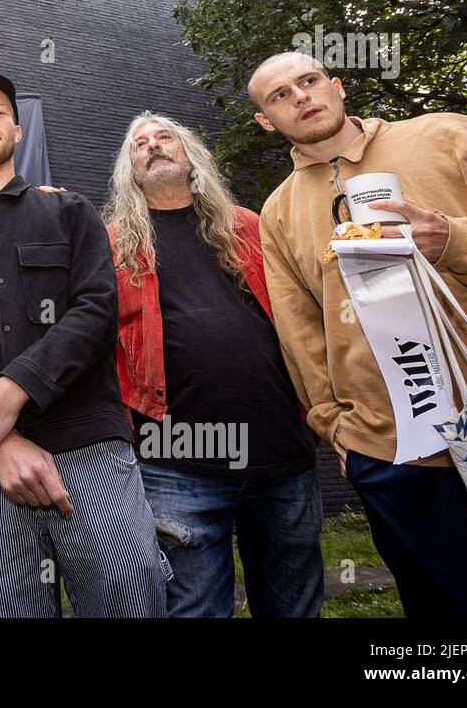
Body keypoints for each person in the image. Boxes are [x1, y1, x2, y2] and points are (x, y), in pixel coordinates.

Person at [249, 51, 467, 618]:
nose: (301, 98)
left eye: (309, 81)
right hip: (397, 450)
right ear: (267, 120)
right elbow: (299, 332)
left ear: (336, 86)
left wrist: (457, 240)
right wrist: (335, 426)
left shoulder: (445, 136)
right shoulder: (279, 211)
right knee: (447, 613)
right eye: (280, 96)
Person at [0, 72, 166, 618]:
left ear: (18, 131)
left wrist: (14, 389)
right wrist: (2, 442)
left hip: (89, 449)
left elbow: (95, 312)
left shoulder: (69, 212)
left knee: (128, 603)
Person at [102, 111, 322, 618]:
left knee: (294, 607)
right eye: (140, 144)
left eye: (165, 138)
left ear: (191, 155)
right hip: (177, 461)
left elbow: (304, 316)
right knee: (195, 609)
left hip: (281, 450)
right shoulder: (113, 246)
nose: (154, 146)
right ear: (130, 170)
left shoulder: (248, 227)